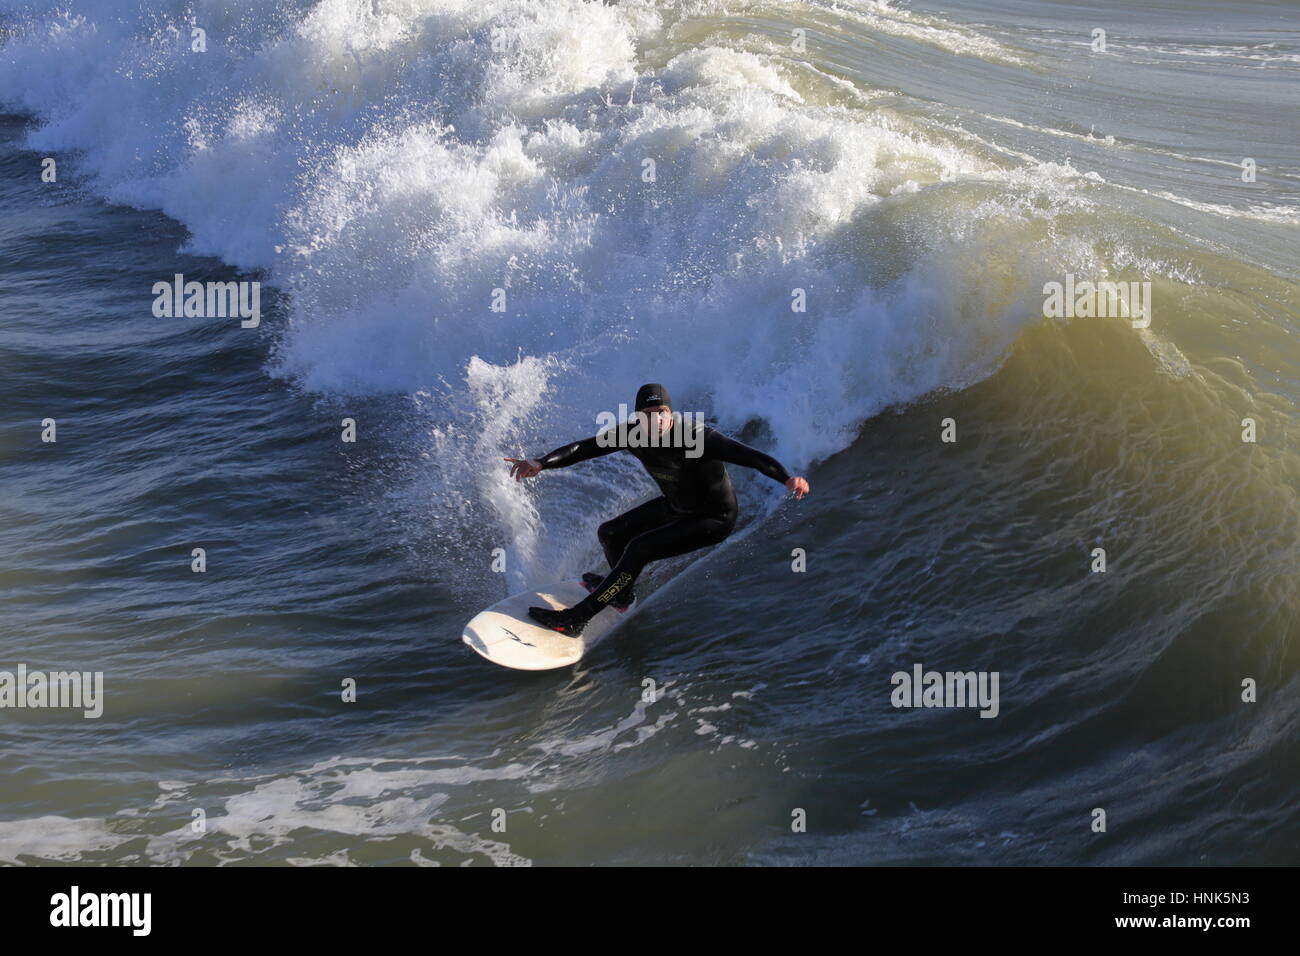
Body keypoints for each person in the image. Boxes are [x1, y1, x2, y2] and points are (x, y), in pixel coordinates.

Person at [505, 383, 810, 636]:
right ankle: (621, 594)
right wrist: (541, 463)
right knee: (610, 533)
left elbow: (750, 456)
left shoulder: (697, 438)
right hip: (675, 506)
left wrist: (786, 477)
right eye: (648, 414)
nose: (656, 419)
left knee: (640, 548)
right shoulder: (631, 434)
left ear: (671, 413)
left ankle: (575, 619)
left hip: (713, 518)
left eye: (662, 413)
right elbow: (583, 449)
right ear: (639, 417)